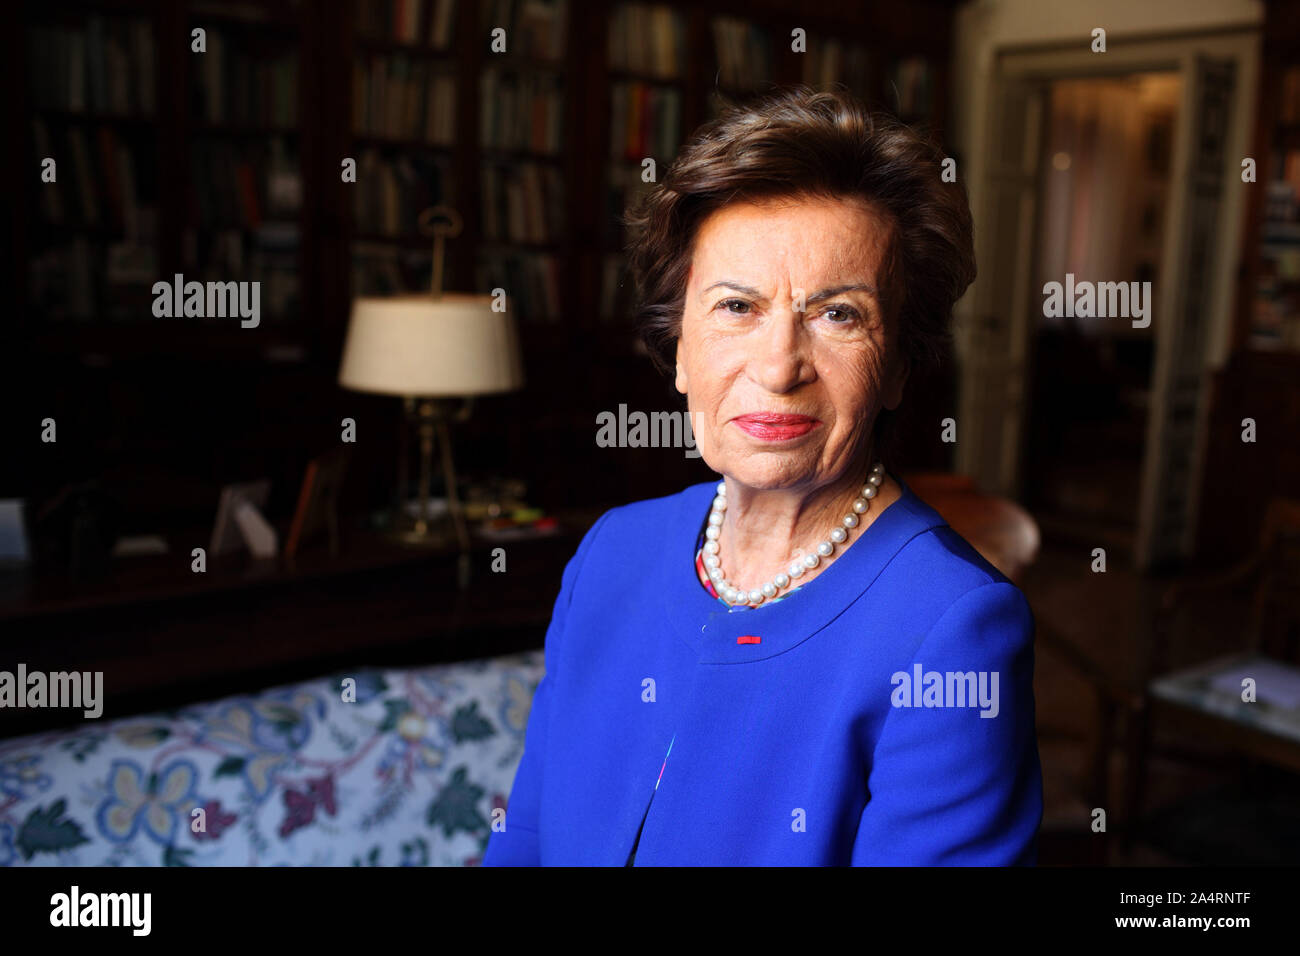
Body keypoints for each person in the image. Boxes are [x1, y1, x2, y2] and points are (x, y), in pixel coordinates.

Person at [482, 87, 1042, 866]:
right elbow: (529, 834)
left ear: (899, 368)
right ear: (679, 348)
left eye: (838, 314)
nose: (779, 368)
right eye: (737, 306)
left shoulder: (952, 631)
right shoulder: (615, 551)